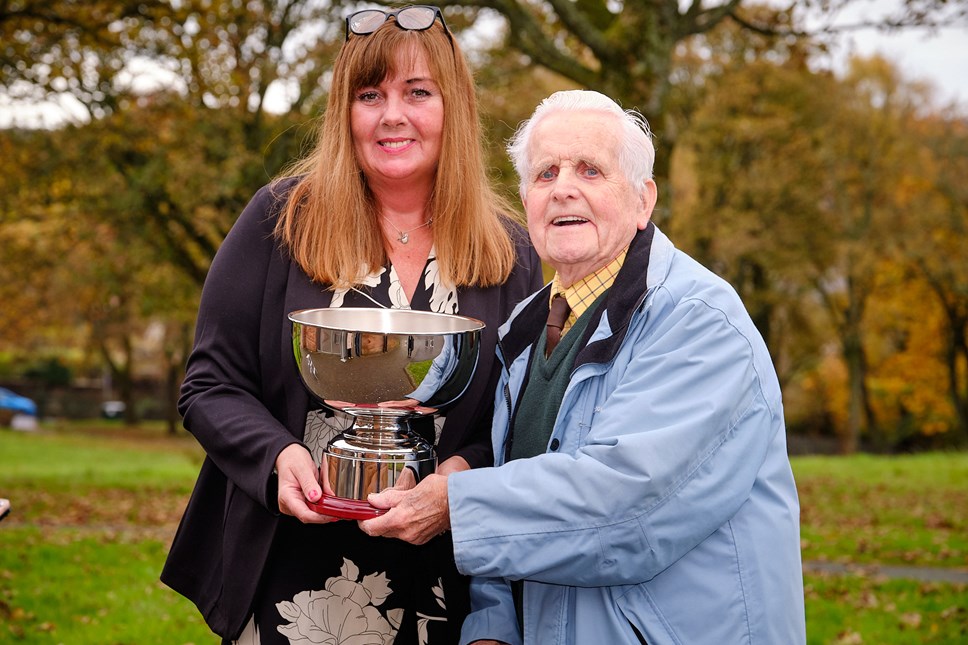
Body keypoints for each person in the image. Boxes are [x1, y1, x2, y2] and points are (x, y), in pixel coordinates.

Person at [360, 90, 807, 644]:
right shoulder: (524, 330)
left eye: (590, 170)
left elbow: (625, 508)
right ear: (526, 200)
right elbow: (514, 483)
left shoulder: (699, 323)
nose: (563, 187)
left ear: (643, 200)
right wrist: (492, 627)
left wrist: (455, 504)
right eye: (545, 173)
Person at [161, 5, 543, 644]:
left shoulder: (509, 252)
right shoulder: (280, 220)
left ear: (454, 109)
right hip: (292, 578)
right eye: (371, 95)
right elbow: (210, 384)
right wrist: (276, 457)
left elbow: (523, 417)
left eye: (417, 92)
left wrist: (460, 479)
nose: (393, 114)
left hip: (448, 581)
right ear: (346, 112)